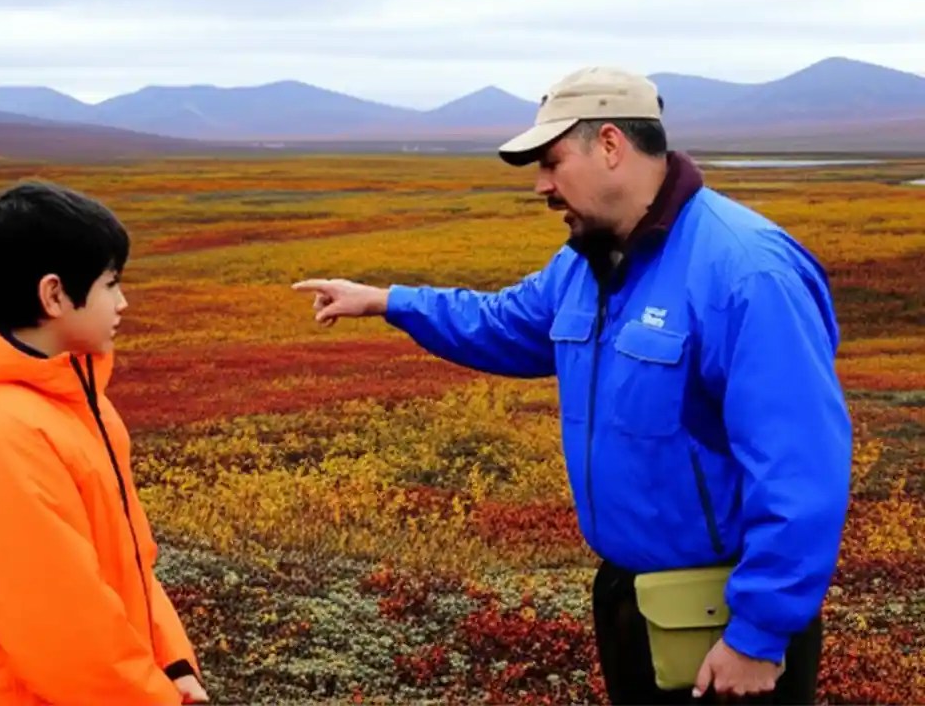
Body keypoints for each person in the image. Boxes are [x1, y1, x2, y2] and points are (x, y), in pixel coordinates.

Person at [294, 66, 851, 704]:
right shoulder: (585, 263)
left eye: (552, 162)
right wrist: (389, 301)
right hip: (629, 603)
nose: (541, 186)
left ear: (610, 144)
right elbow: (503, 324)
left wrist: (759, 634)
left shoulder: (747, 273)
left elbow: (801, 471)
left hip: (723, 623)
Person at [0, 182, 208, 705]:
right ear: (54, 294)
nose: (123, 302)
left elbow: (128, 561)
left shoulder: (79, 401)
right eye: (111, 284)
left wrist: (171, 664)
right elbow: (67, 635)